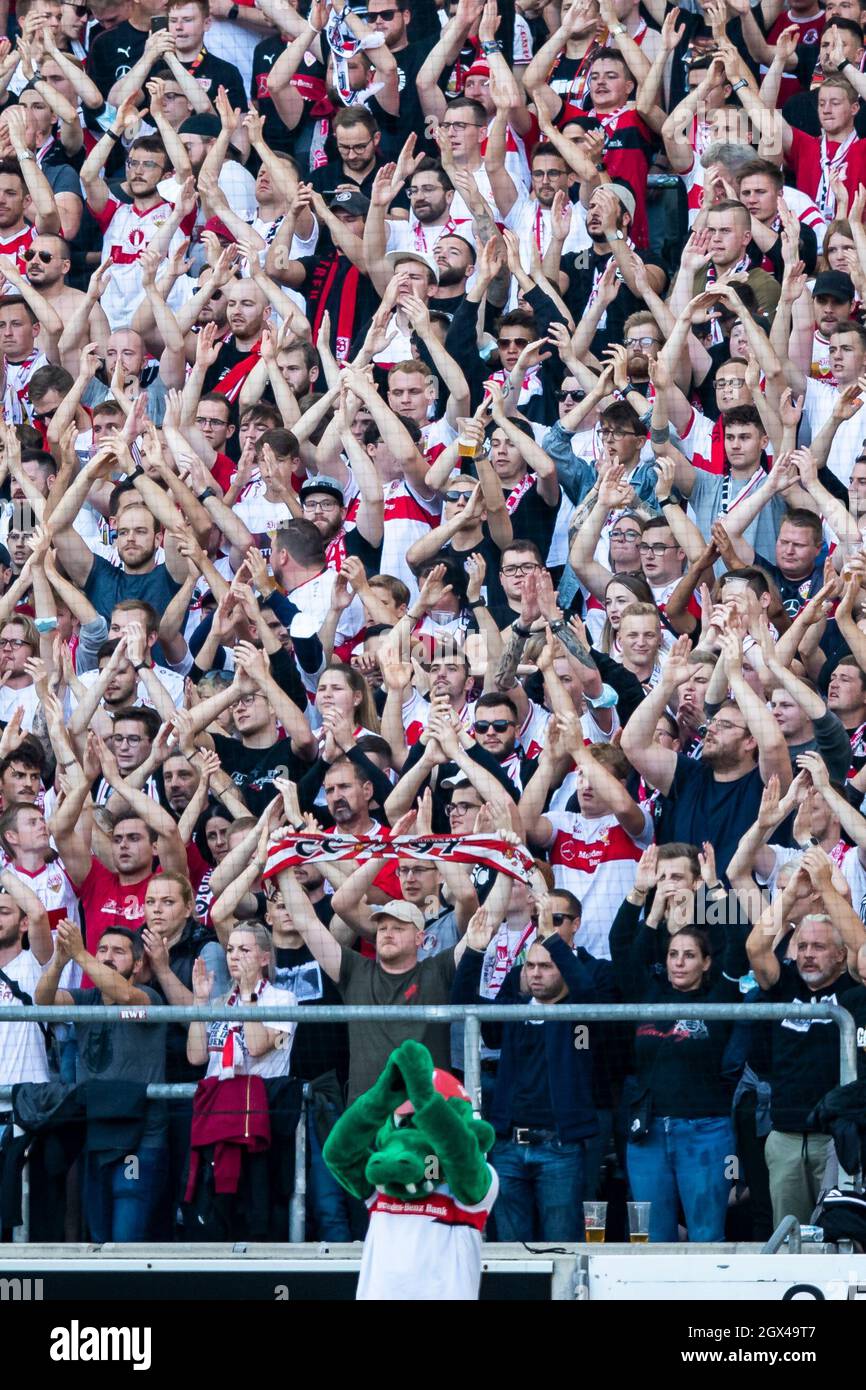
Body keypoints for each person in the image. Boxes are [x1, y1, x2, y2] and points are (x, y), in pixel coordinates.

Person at [35, 920, 169, 1242]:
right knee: (98, 1230)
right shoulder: (86, 998)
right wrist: (60, 959)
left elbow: (122, 993)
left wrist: (81, 954)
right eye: (103, 949)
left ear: (138, 964)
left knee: (127, 1219)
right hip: (98, 1133)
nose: (108, 956)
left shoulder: (148, 997)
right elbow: (43, 999)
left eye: (118, 952)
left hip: (141, 1139)